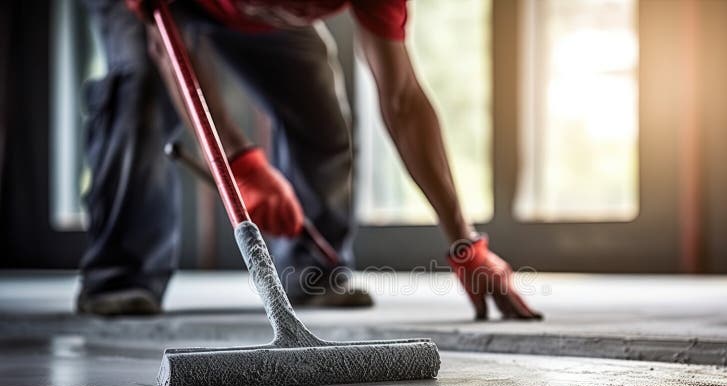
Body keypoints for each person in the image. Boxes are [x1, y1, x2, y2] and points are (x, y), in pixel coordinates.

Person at [87, 0, 542, 320]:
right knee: (139, 91)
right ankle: (121, 275)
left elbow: (402, 100)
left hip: (264, 17)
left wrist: (464, 245)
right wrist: (239, 161)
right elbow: (166, 44)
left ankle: (313, 273)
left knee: (322, 117)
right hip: (161, 14)